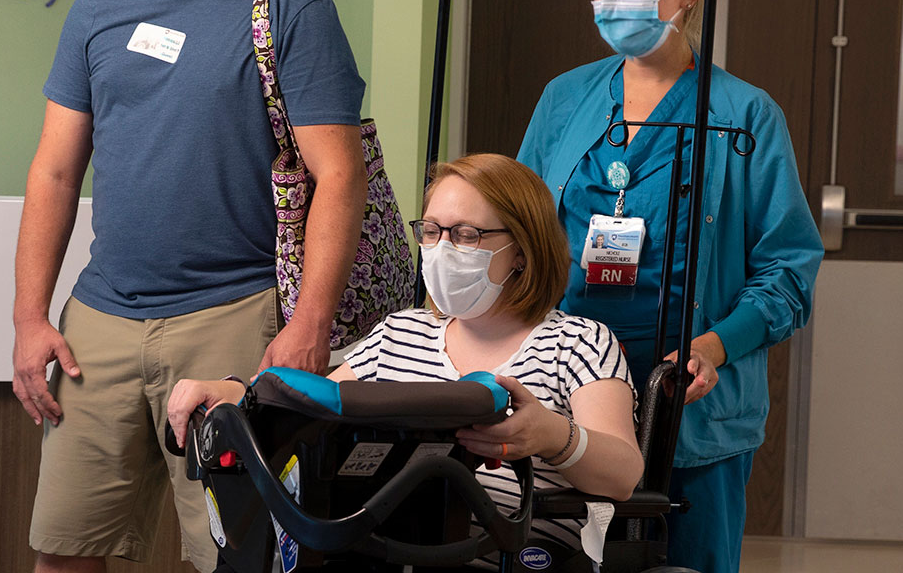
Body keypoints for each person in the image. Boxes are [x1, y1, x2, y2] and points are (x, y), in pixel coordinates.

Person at [11, 0, 368, 573]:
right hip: (99, 324)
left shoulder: (293, 7)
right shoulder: (102, 6)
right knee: (63, 554)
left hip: (234, 317)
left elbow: (339, 174)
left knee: (236, 558)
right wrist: (28, 316)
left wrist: (310, 324)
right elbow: (54, 170)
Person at [516, 0, 823, 572]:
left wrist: (714, 347)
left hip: (688, 404)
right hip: (566, 398)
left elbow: (788, 271)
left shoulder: (743, 117)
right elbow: (521, 238)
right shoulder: (564, 101)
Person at [169, 153, 644, 570]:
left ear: (521, 249)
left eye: (465, 234)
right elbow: (312, 411)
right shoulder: (400, 332)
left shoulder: (577, 341)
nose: (441, 249)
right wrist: (232, 393)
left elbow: (623, 475)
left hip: (506, 552)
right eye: (432, 231)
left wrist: (550, 435)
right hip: (375, 546)